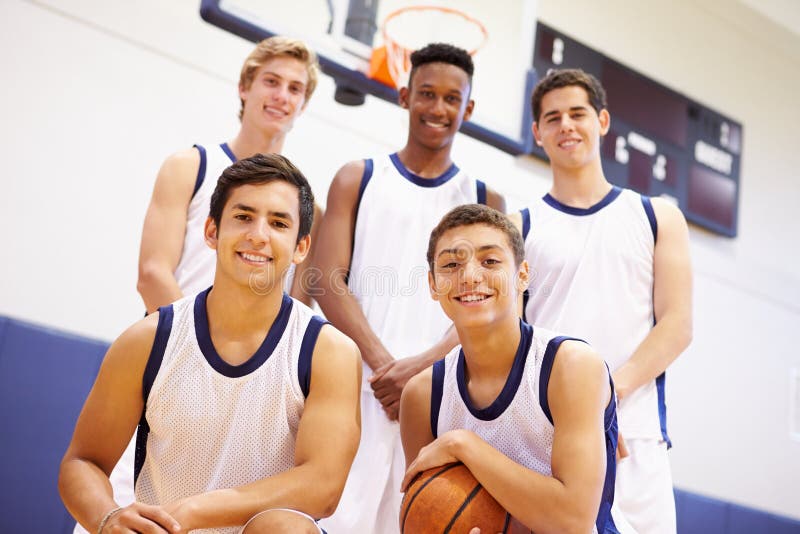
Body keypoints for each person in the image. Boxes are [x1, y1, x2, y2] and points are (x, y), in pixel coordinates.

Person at [59, 154, 361, 534]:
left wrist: (192, 511)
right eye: (243, 216)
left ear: (301, 247)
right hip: (165, 529)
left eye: (279, 223)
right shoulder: (149, 340)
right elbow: (83, 462)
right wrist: (107, 518)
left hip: (197, 523)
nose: (258, 234)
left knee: (284, 528)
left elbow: (323, 487)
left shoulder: (327, 352)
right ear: (211, 231)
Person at [313, 43, 505, 533]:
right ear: (403, 97)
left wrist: (417, 373)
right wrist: (385, 368)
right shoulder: (358, 177)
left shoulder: (487, 198)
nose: (438, 108)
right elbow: (326, 280)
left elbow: (493, 305)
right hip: (356, 389)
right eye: (426, 94)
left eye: (451, 98)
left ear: (469, 108)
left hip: (441, 398)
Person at [510, 68, 693, 533]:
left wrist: (607, 394)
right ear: (537, 133)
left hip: (635, 436)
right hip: (544, 439)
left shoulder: (658, 217)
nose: (566, 125)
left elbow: (677, 325)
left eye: (578, 113)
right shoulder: (518, 227)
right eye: (553, 118)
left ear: (603, 121)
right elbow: (505, 337)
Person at [400, 204, 622, 533]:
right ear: (433, 284)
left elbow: (574, 520)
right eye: (451, 264)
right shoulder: (423, 395)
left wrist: (464, 445)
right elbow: (423, 511)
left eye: (490, 261)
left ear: (521, 275)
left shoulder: (571, 367)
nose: (470, 276)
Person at [137, 35, 322, 313]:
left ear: (303, 106)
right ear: (244, 88)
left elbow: (294, 306)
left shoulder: (305, 205)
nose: (282, 96)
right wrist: (201, 350)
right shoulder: (189, 167)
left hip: (253, 355)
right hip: (173, 343)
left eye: (295, 89)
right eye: (271, 81)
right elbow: (153, 274)